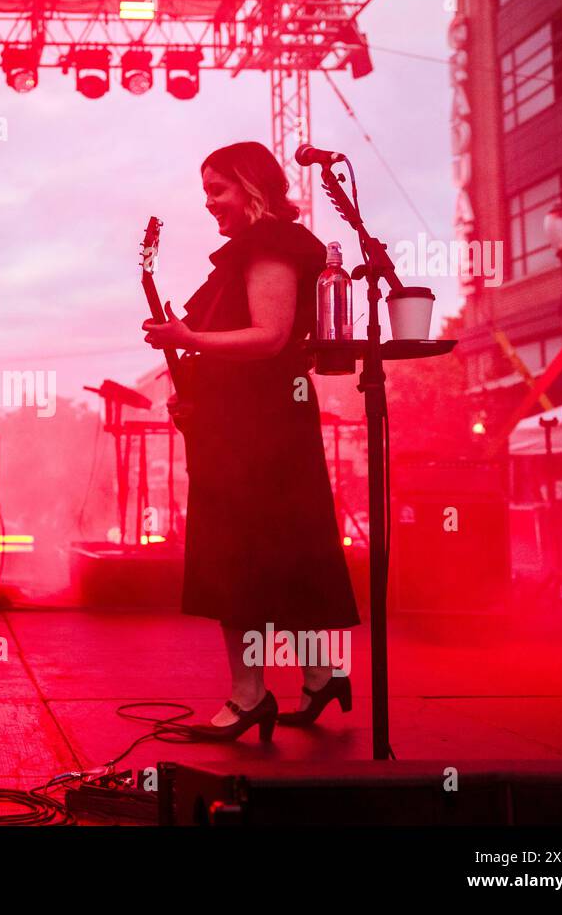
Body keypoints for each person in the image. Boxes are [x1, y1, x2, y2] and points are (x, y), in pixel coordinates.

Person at [142, 142, 359, 741]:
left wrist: (188, 337)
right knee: (286, 549)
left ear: (251, 186)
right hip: (256, 419)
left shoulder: (269, 244)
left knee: (237, 556)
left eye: (218, 190)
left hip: (256, 426)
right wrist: (194, 389)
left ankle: (248, 697)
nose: (210, 204)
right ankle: (319, 677)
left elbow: (269, 335)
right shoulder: (266, 247)